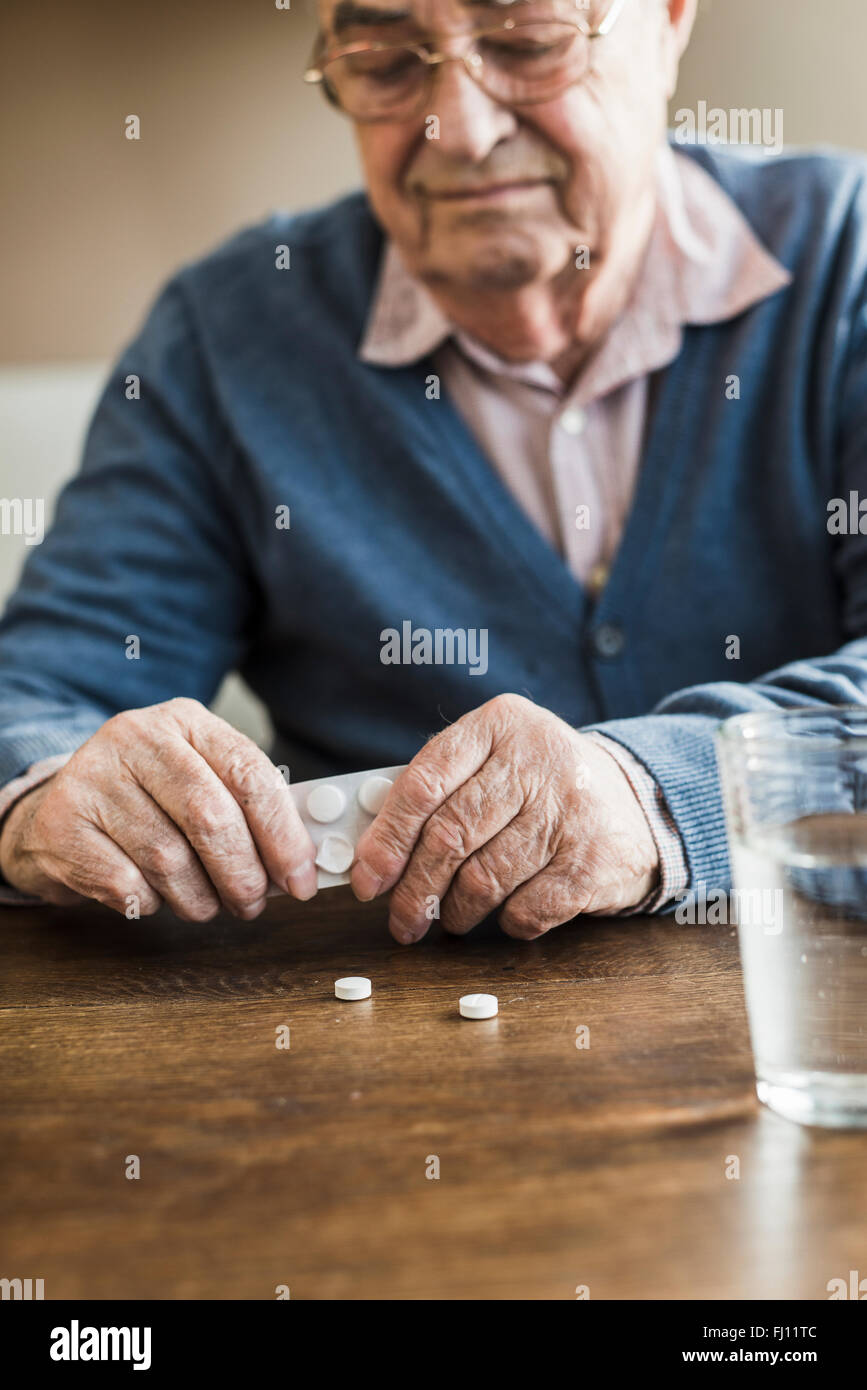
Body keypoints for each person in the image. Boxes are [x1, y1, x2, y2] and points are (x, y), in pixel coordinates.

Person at [1, 0, 865, 944]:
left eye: (527, 44)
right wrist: (49, 790)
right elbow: (36, 695)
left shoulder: (844, 256)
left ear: (666, 23)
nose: (455, 129)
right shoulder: (227, 336)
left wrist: (650, 792)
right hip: (380, 1047)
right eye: (383, 62)